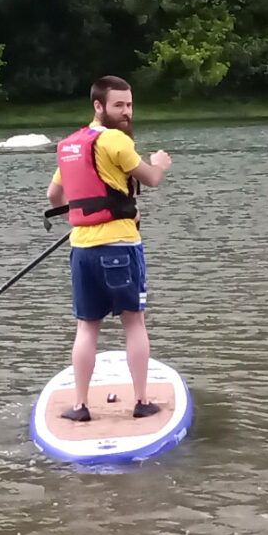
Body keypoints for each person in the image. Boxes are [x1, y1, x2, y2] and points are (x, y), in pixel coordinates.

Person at [46, 75, 172, 422]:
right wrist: (159, 162)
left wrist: (86, 209)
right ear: (98, 106)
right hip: (120, 245)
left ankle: (80, 406)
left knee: (87, 326)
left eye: (129, 104)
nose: (126, 112)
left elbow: (54, 197)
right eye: (118, 105)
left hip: (82, 250)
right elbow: (151, 178)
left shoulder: (72, 144)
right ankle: (142, 401)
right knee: (134, 322)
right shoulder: (116, 140)